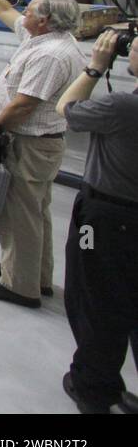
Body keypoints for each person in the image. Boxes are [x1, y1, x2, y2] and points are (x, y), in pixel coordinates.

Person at [0, 0, 85, 308]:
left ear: (44, 20)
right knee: (34, 211)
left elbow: (24, 105)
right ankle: (34, 273)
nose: (22, 12)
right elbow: (0, 7)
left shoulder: (51, 54)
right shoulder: (43, 37)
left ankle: (20, 286)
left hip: (28, 143)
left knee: (18, 214)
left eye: (28, 9)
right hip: (35, 143)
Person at [55, 28, 138, 413]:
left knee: (96, 301)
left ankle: (93, 387)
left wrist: (94, 68)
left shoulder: (123, 108)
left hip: (106, 220)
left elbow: (66, 110)